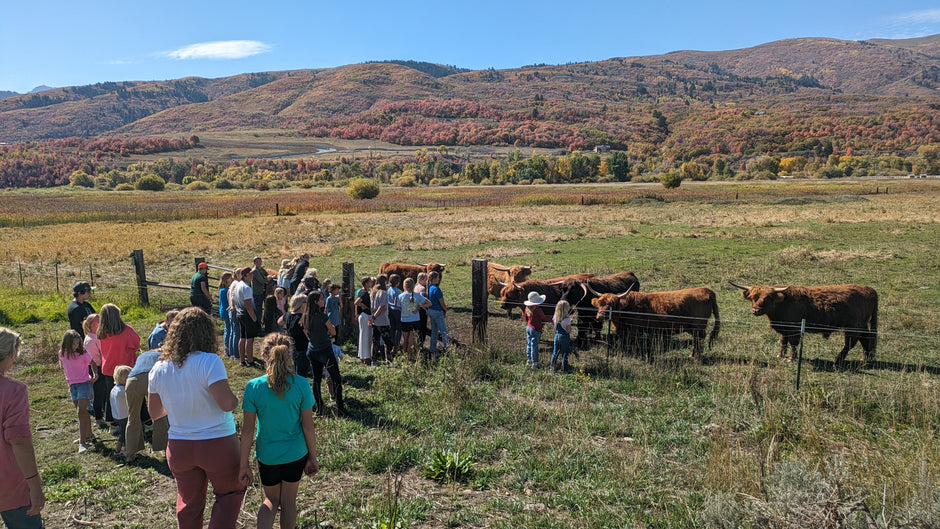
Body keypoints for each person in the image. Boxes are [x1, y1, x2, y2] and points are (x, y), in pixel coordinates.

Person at [148, 307, 244, 529]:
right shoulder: (209, 361)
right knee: (229, 494)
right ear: (207, 333)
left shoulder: (159, 367)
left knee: (189, 501)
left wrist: (178, 405)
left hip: (180, 445)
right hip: (217, 441)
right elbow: (226, 403)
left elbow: (155, 413)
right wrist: (237, 400)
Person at [239, 334, 319, 529]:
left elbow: (247, 431)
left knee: (271, 500)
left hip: (267, 456)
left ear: (264, 356)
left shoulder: (253, 387)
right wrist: (313, 457)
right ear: (289, 355)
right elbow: (308, 426)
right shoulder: (301, 384)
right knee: (289, 503)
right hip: (295, 453)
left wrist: (244, 464)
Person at [0, 327, 45, 529]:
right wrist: (34, 484)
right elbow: (19, 441)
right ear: (9, 354)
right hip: (10, 485)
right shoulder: (14, 391)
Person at [124, 349, 170, 463]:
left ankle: (130, 453)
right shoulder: (164, 355)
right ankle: (163, 448)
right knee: (159, 414)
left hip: (132, 381)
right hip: (151, 378)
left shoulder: (143, 355)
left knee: (132, 417)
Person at [98, 304, 140, 428]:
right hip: (125, 369)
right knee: (133, 395)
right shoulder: (127, 330)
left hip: (108, 368)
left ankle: (111, 422)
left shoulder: (101, 333)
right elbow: (136, 344)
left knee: (110, 395)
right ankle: (140, 420)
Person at [304, 291, 344, 416]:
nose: (323, 300)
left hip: (312, 350)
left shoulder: (305, 316)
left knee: (316, 379)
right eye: (321, 298)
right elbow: (333, 332)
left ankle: (319, 407)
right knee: (336, 378)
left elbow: (305, 331)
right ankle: (340, 407)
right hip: (325, 350)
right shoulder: (322, 317)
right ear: (316, 302)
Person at [58, 329, 97, 453]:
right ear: (67, 343)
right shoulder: (62, 353)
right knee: (81, 412)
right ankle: (88, 434)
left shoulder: (83, 354)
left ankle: (82, 441)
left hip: (84, 383)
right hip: (72, 384)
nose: (75, 346)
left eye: (77, 344)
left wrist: (95, 374)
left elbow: (92, 362)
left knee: (81, 411)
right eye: (73, 344)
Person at [83, 313, 109, 428]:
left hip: (102, 365)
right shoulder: (90, 340)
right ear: (91, 325)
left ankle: (105, 414)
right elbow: (95, 359)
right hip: (97, 368)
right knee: (98, 393)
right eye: (97, 322)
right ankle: (98, 418)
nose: (99, 323)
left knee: (104, 392)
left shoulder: (97, 336)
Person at [233, 267, 261, 368]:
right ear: (244, 276)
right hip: (247, 315)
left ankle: (242, 360)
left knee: (243, 337)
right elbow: (249, 306)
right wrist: (255, 319)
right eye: (250, 274)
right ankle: (250, 360)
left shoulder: (238, 285)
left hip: (239, 313)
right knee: (250, 339)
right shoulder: (247, 288)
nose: (252, 276)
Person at [398, 278, 431, 361]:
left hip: (404, 320)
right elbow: (429, 303)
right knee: (411, 340)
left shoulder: (400, 296)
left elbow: (399, 307)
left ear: (404, 286)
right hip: (415, 320)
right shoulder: (417, 296)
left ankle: (404, 355)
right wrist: (419, 306)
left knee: (405, 339)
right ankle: (410, 357)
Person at [280, 295, 311, 379]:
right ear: (302, 304)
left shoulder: (288, 315)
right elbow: (307, 334)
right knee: (302, 373)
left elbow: (279, 321)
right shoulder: (302, 318)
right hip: (302, 348)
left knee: (294, 369)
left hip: (292, 347)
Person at [522, 291, 551, 367]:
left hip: (528, 327)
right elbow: (544, 318)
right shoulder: (538, 309)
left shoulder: (527, 308)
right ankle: (535, 362)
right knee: (534, 345)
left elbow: (525, 317)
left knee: (529, 344)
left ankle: (529, 360)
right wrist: (552, 319)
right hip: (536, 329)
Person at [369, 274, 393, 362]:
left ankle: (374, 359)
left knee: (375, 340)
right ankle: (388, 359)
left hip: (375, 321)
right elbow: (381, 307)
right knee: (388, 341)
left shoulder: (373, 292)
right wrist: (375, 316)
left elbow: (372, 307)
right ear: (385, 282)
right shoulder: (383, 293)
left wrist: (372, 316)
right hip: (382, 320)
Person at [426, 271, 449, 360]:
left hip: (431, 311)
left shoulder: (429, 288)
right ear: (434, 278)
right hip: (437, 311)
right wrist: (445, 309)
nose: (439, 279)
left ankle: (432, 349)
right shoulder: (436, 289)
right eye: (438, 277)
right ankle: (447, 349)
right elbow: (441, 302)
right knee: (444, 332)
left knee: (434, 331)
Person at [110, 365, 131, 457]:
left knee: (123, 432)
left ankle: (125, 449)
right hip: (124, 415)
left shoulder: (114, 389)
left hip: (116, 415)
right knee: (124, 434)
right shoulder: (123, 391)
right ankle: (118, 451)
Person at [550, 300, 574, 374]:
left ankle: (552, 368)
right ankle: (565, 369)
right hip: (564, 337)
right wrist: (570, 322)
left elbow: (555, 326)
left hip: (556, 336)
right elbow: (569, 331)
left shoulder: (555, 317)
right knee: (564, 354)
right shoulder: (567, 320)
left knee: (555, 352)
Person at [355, 277, 374, 365]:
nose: (371, 283)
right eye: (370, 282)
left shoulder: (362, 292)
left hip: (363, 315)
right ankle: (366, 356)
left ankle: (362, 355)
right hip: (365, 315)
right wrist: (363, 305)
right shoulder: (364, 293)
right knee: (366, 335)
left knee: (363, 335)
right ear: (366, 283)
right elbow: (356, 302)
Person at [218, 272, 237, 359]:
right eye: (230, 278)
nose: (232, 279)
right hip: (226, 311)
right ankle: (227, 348)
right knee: (228, 330)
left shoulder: (224, 289)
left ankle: (228, 348)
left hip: (225, 310)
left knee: (228, 329)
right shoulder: (224, 290)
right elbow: (226, 302)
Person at [387, 274, 403, 354]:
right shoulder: (397, 291)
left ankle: (392, 343)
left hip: (390, 310)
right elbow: (397, 303)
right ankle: (396, 344)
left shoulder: (389, 289)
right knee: (399, 329)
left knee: (392, 328)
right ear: (398, 283)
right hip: (396, 311)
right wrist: (401, 308)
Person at [414, 272, 430, 349]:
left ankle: (416, 344)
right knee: (422, 329)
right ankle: (420, 345)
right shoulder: (422, 289)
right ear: (420, 279)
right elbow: (422, 300)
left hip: (415, 310)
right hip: (421, 310)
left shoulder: (415, 287)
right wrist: (425, 307)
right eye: (425, 280)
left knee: (417, 328)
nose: (426, 282)